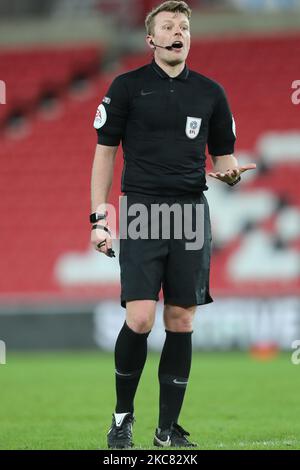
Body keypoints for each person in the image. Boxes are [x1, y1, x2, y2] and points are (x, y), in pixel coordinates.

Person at [90, 0, 256, 449]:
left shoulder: (210, 93)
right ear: (151, 39)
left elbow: (225, 157)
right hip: (142, 208)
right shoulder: (126, 88)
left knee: (181, 319)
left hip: (190, 212)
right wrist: (99, 218)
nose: (178, 31)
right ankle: (122, 417)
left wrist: (232, 174)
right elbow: (104, 153)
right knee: (141, 317)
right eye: (168, 25)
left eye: (184, 26)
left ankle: (167, 428)